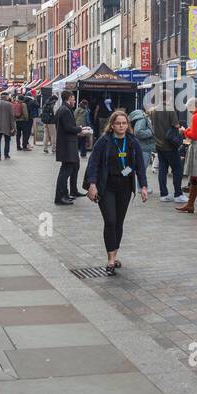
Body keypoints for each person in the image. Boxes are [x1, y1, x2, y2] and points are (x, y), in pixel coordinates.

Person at [85, 109, 150, 274]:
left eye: (124, 123)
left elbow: (139, 167)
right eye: (118, 123)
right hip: (106, 186)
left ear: (127, 125)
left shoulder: (132, 141)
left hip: (125, 187)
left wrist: (143, 186)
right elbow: (93, 164)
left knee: (119, 222)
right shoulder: (104, 141)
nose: (121, 126)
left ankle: (114, 254)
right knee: (110, 221)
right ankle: (110, 260)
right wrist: (92, 184)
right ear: (112, 125)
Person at [54, 91, 86, 205]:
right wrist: (79, 129)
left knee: (69, 169)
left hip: (67, 144)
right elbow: (68, 128)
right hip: (67, 145)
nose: (75, 101)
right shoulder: (65, 110)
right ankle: (60, 196)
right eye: (73, 98)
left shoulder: (63, 109)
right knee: (65, 172)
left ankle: (66, 193)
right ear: (69, 98)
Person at [150, 99, 185, 202]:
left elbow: (153, 125)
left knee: (162, 169)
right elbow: (176, 125)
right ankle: (178, 194)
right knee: (177, 169)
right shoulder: (170, 109)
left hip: (158, 144)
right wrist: (181, 130)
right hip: (170, 145)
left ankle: (163, 194)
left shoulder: (154, 110)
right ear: (169, 98)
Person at [128, 108, 156, 174]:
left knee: (132, 169)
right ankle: (120, 178)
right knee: (140, 171)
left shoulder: (144, 118)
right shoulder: (143, 119)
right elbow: (138, 132)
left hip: (142, 148)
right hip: (143, 149)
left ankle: (120, 178)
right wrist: (151, 132)